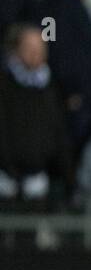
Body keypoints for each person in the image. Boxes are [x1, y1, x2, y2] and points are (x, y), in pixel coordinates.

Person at [30, 0, 91, 151]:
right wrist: (71, 90)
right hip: (64, 107)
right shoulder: (51, 9)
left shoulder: (79, 8)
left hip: (84, 103)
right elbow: (51, 49)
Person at [0, 23, 73, 208]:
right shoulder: (5, 85)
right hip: (5, 178)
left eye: (40, 49)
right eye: (29, 48)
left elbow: (58, 132)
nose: (35, 54)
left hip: (39, 178)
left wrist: (64, 173)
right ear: (16, 50)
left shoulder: (51, 88)